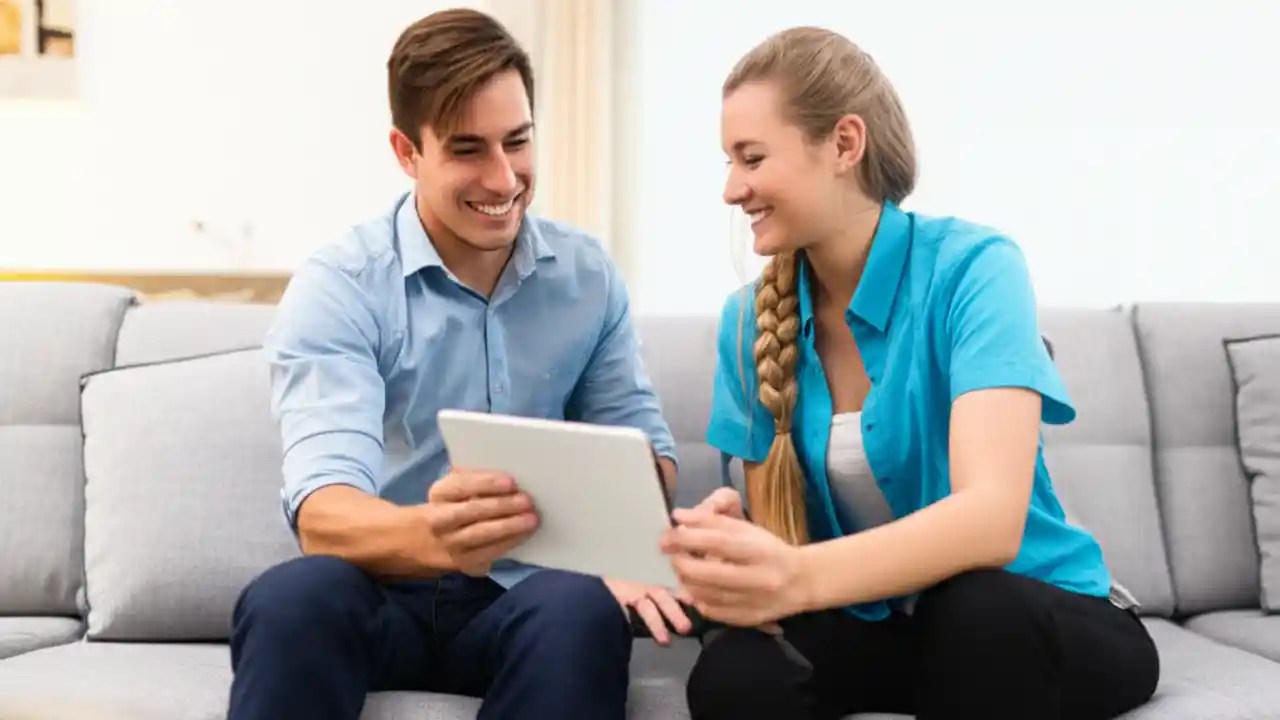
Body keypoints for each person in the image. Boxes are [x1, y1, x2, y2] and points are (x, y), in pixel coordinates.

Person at [658, 26, 1161, 720]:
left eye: (751, 158)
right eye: (728, 162)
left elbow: (991, 522)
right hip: (882, 629)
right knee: (735, 674)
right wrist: (740, 549)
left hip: (1030, 611)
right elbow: (783, 550)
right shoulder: (747, 322)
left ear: (843, 145)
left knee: (977, 612)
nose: (731, 189)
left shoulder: (975, 268)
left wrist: (796, 577)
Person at [227, 9, 692, 720]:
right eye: (469, 149)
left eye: (518, 141)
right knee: (294, 595)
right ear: (407, 151)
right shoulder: (342, 285)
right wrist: (439, 539)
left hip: (529, 597)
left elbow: (645, 453)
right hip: (384, 589)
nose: (504, 178)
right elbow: (324, 515)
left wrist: (623, 532)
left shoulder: (587, 277)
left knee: (578, 606)